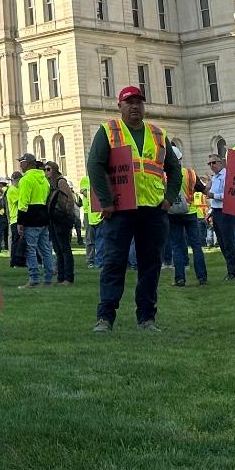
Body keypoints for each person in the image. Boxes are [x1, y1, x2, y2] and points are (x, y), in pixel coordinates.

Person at [86, 86, 177, 331]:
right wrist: (105, 201)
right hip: (120, 210)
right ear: (120, 106)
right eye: (129, 102)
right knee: (114, 262)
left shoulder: (158, 134)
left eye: (139, 102)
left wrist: (170, 197)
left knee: (150, 265)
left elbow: (174, 168)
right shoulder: (109, 131)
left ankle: (147, 318)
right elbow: (95, 165)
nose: (135, 106)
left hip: (153, 209)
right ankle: (105, 318)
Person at [164, 158, 208, 286]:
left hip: (173, 214)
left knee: (177, 247)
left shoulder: (164, 176)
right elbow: (204, 190)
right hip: (190, 212)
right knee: (196, 246)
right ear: (180, 159)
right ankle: (202, 277)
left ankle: (180, 279)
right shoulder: (190, 173)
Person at [12, 153, 52, 287]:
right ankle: (48, 278)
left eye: (21, 162)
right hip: (43, 217)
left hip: (31, 218)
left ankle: (34, 278)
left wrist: (19, 222)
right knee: (45, 249)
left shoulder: (26, 180)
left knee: (30, 249)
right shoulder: (44, 179)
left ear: (27, 163)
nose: (20, 165)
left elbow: (23, 203)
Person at [207, 157, 235, 281]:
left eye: (214, 162)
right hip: (216, 211)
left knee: (227, 242)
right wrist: (210, 212)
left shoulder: (227, 175)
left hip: (226, 211)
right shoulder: (214, 177)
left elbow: (229, 195)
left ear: (221, 162)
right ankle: (230, 270)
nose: (211, 165)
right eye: (209, 163)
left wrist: (212, 195)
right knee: (221, 242)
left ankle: (232, 272)